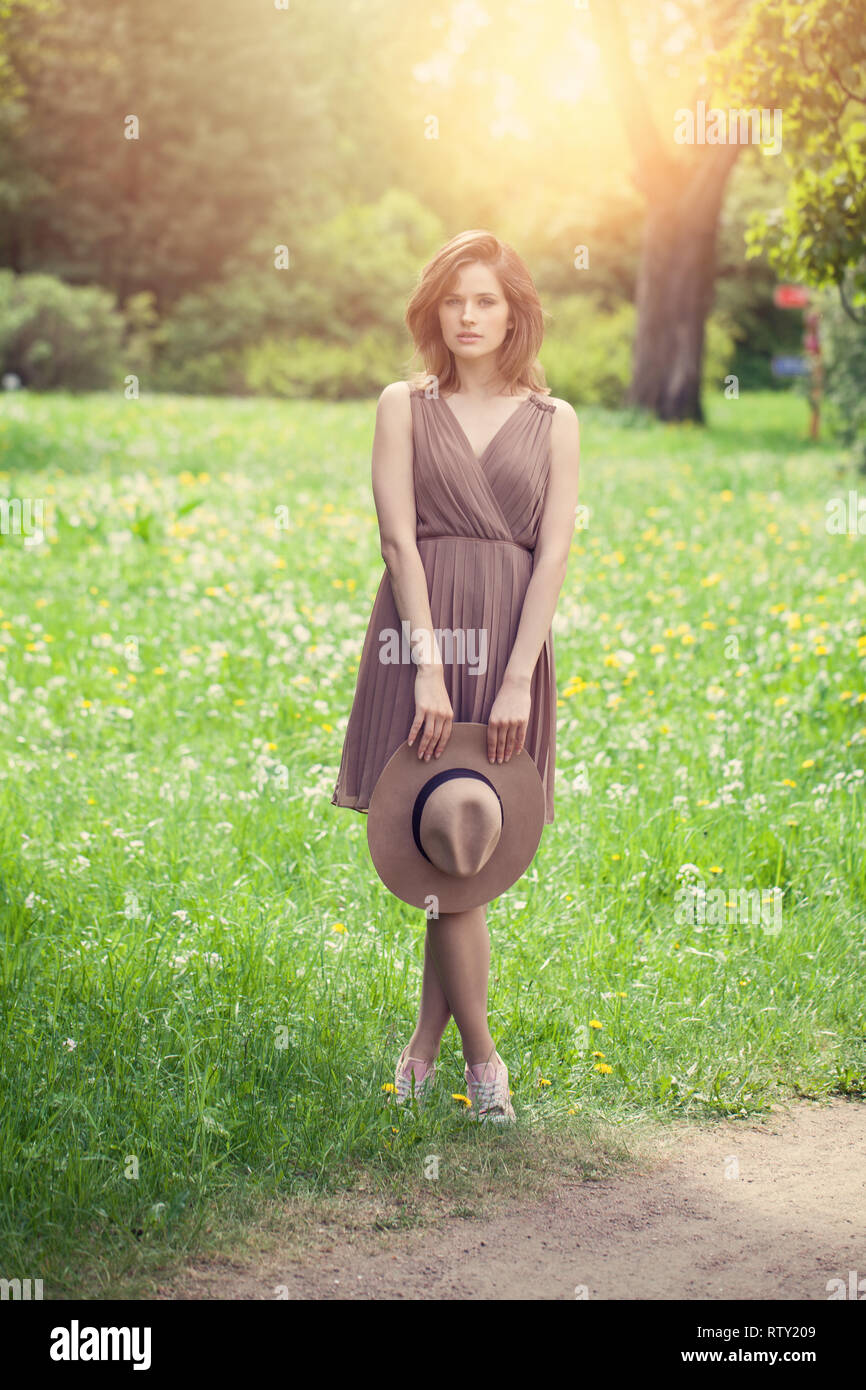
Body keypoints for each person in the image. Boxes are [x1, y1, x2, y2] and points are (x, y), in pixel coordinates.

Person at [331, 229, 580, 1120]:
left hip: (512, 639)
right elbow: (398, 540)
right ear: (433, 311)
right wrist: (430, 670)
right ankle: (483, 1066)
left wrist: (517, 679)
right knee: (445, 830)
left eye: (486, 300)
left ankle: (425, 1052)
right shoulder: (403, 403)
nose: (469, 316)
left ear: (514, 314)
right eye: (453, 300)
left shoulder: (557, 423)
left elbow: (552, 558)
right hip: (419, 638)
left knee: (465, 842)